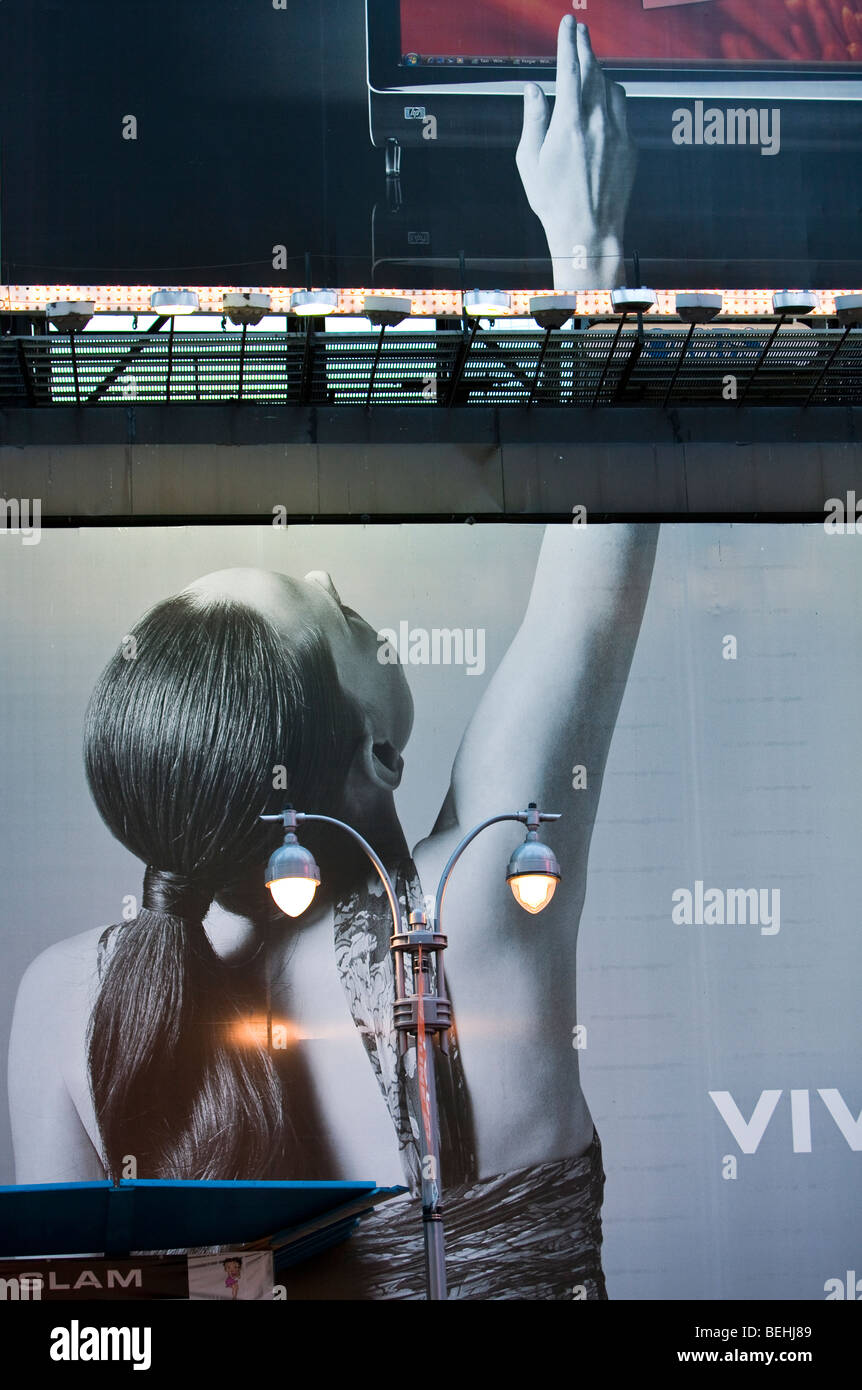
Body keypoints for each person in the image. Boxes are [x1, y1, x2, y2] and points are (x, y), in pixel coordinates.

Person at [8, 524, 658, 1298]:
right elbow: (590, 582)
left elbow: (75, 1333)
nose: (319, 570)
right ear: (379, 756)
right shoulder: (476, 901)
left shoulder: (65, 1000)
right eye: (333, 609)